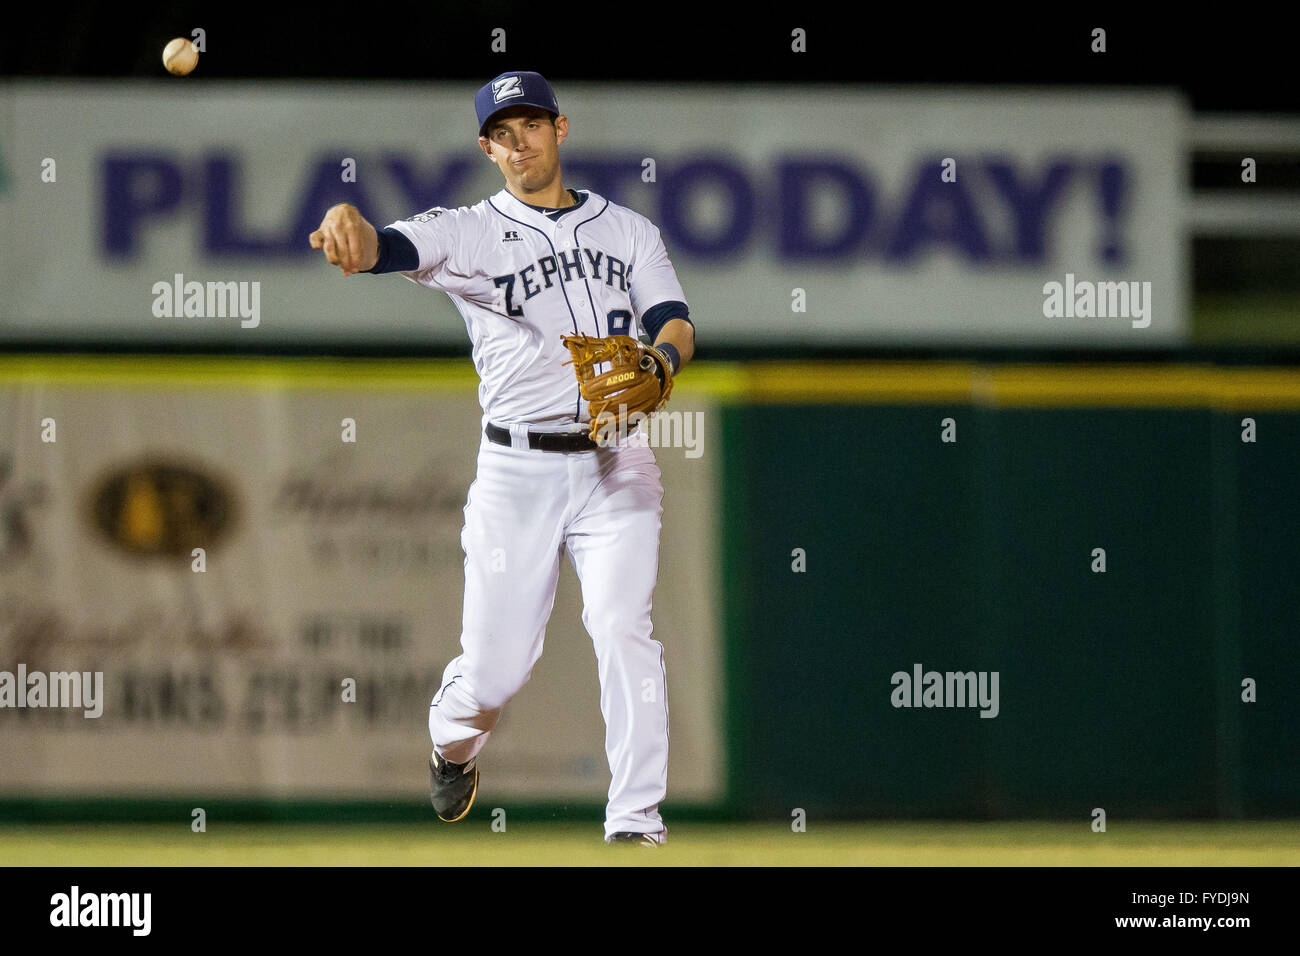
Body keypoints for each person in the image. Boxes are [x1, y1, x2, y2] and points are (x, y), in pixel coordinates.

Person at [308, 71, 694, 846]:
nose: (520, 142)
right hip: (518, 470)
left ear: (561, 128)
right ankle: (452, 746)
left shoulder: (629, 231)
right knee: (495, 675)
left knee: (624, 626)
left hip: (617, 460)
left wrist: (661, 364)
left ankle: (636, 821)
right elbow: (387, 247)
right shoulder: (468, 231)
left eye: (532, 125)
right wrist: (350, 221)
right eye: (503, 132)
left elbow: (675, 321)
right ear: (487, 148)